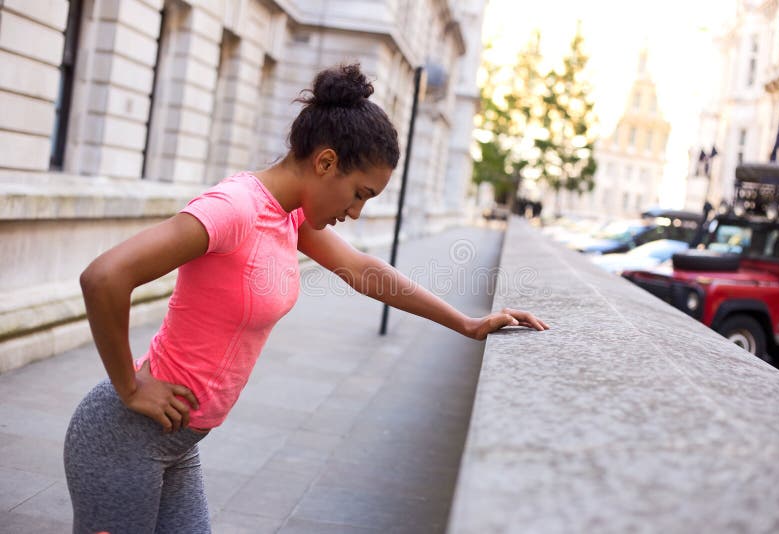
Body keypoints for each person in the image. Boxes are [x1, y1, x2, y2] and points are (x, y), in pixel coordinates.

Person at [63, 63, 549, 533]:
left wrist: (466, 323)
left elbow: (364, 270)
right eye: (359, 194)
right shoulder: (236, 208)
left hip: (176, 442)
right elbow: (104, 278)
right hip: (124, 439)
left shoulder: (289, 214)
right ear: (325, 162)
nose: (356, 212)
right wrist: (129, 385)